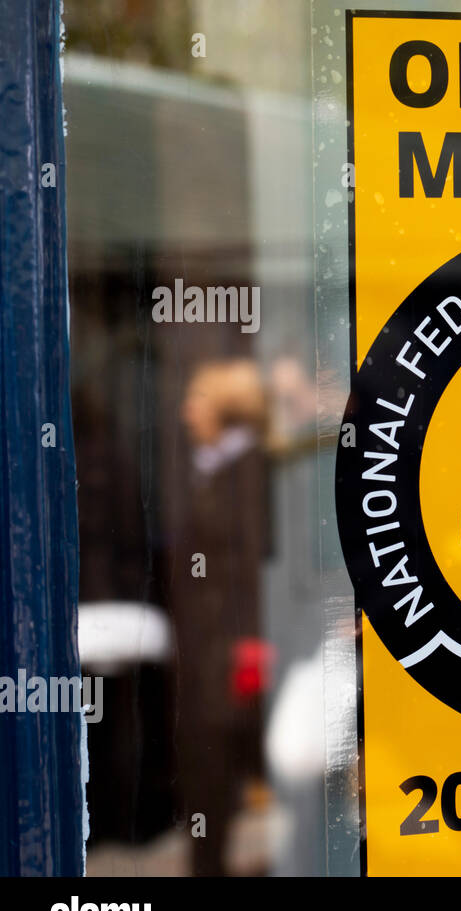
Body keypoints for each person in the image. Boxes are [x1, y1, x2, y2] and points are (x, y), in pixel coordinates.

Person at [172, 358, 271, 876]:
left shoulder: (246, 469)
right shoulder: (212, 467)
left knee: (218, 758)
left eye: (197, 399)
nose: (186, 411)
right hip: (207, 643)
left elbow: (252, 561)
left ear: (224, 409)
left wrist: (247, 642)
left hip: (229, 647)